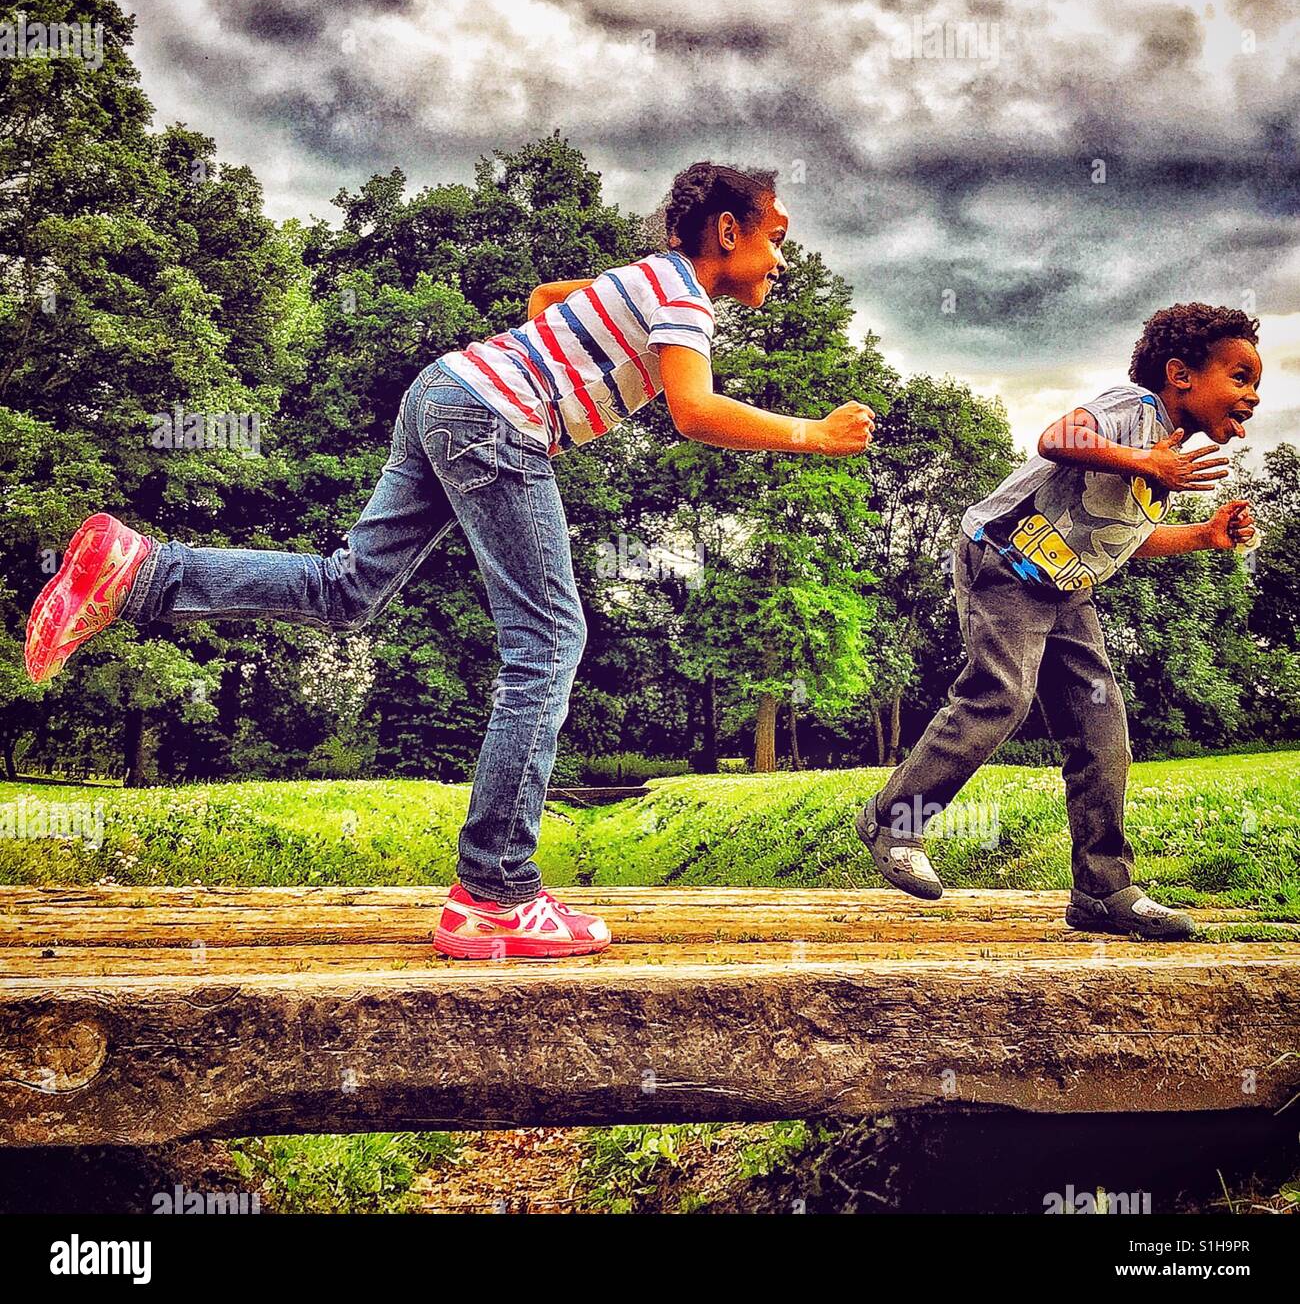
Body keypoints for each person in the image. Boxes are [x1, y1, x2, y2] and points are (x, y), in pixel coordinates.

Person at [24, 162, 877, 958]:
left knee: (347, 589)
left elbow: (549, 297)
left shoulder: (646, 282)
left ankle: (139, 570)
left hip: (445, 391)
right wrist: (815, 436)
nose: (781, 262)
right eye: (776, 239)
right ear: (727, 232)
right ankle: (495, 896)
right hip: (494, 419)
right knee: (547, 642)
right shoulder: (684, 296)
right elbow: (693, 412)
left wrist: (608, 322)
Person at [855, 303, 1262, 939]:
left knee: (1101, 726)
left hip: (1066, 588)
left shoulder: (1169, 453)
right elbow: (1056, 438)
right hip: (1004, 557)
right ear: (1181, 374)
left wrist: (1203, 537)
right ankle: (894, 819)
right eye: (1240, 377)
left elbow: (1125, 538)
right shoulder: (1133, 410)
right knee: (1003, 694)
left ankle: (1103, 889)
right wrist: (1147, 464)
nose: (1252, 396)